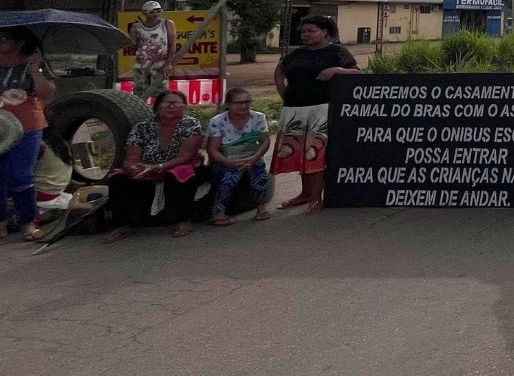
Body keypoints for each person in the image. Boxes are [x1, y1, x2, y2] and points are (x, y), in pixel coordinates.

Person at [273, 15, 360, 216]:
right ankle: (304, 193)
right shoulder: (296, 54)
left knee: (315, 154)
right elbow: (280, 70)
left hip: (321, 109)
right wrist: (283, 92)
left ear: (325, 32)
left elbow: (357, 72)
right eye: (303, 31)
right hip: (294, 110)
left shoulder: (337, 51)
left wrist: (336, 71)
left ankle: (315, 197)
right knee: (298, 153)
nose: (306, 35)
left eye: (311, 31)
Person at [104, 89, 205, 242]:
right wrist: (136, 170)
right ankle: (121, 226)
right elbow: (131, 159)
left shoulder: (190, 124)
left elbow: (186, 156)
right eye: (167, 103)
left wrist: (158, 167)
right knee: (119, 180)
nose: (172, 106)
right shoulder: (142, 128)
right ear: (157, 107)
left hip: (177, 165)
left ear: (183, 107)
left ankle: (184, 220)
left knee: (180, 174)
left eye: (177, 103)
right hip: (148, 168)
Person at [1, 26, 56, 241]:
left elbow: (48, 93)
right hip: (0, 127)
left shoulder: (34, 64)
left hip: (27, 126)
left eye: (3, 38)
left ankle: (28, 222)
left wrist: (36, 70)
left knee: (20, 175)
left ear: (20, 42)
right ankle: (1, 223)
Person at [205, 86, 272, 226]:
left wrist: (254, 158)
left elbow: (264, 141)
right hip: (226, 158)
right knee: (230, 178)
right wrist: (229, 162)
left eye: (247, 101)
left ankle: (261, 206)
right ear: (228, 104)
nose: (244, 105)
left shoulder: (258, 117)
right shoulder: (217, 121)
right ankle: (218, 212)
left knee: (259, 174)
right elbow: (213, 150)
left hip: (251, 156)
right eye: (239, 103)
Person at [127, 0, 177, 101]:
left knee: (161, 94)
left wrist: (168, 63)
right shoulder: (136, 27)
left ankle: (160, 114)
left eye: (158, 11)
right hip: (142, 65)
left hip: (160, 65)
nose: (156, 14)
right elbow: (132, 48)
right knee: (139, 93)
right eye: (152, 12)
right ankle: (140, 114)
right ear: (145, 13)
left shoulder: (167, 24)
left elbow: (172, 45)